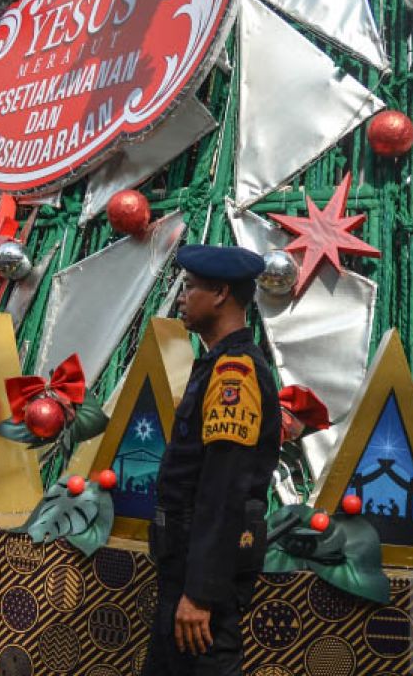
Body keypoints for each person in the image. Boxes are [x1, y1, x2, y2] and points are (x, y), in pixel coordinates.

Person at [142, 245, 281, 676]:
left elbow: (224, 489)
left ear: (220, 294)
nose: (181, 298)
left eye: (189, 287)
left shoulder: (233, 373)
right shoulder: (216, 364)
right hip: (184, 570)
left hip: (201, 584)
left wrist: (200, 594)